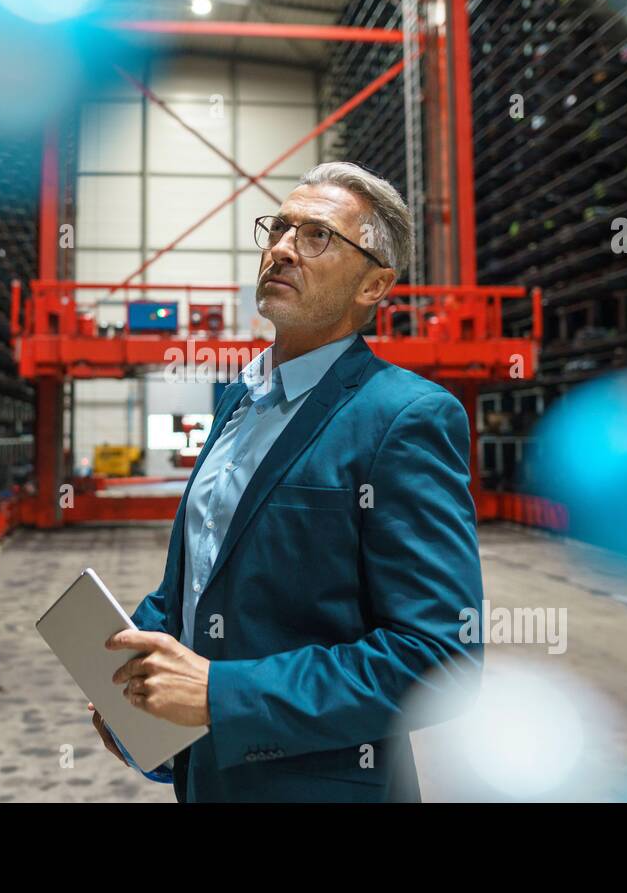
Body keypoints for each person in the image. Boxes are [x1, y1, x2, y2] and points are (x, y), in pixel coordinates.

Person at [90, 161, 483, 802]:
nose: (280, 248)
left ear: (374, 286)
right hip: (206, 777)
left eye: (317, 235)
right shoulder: (239, 402)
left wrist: (222, 696)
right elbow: (197, 581)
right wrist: (133, 679)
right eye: (278, 227)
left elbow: (439, 659)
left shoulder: (404, 418)